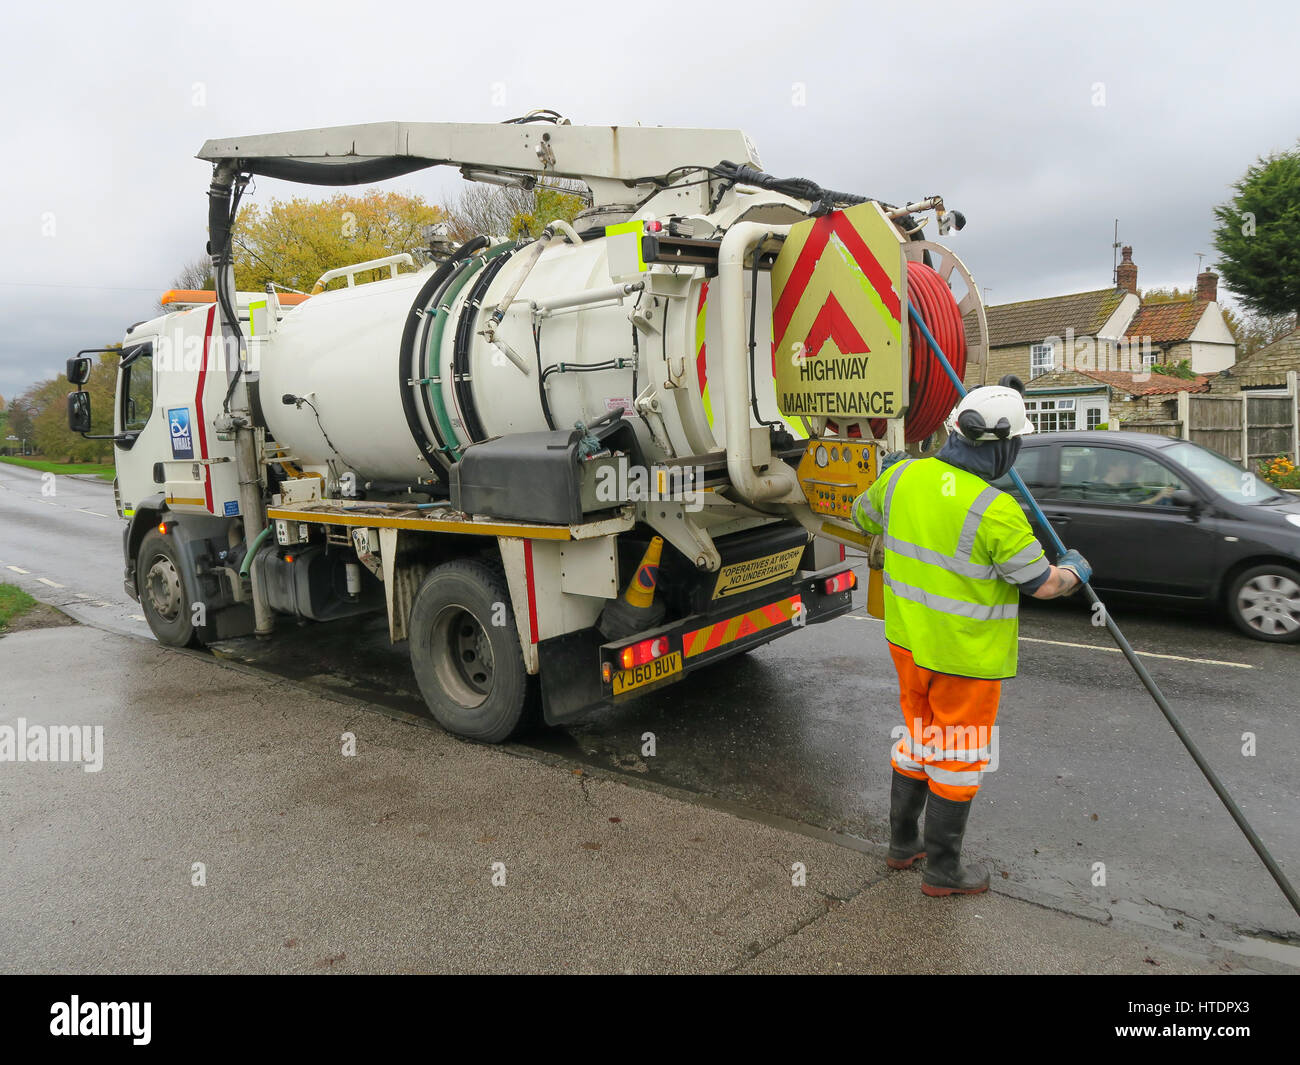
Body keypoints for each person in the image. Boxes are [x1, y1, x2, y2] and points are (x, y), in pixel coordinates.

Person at [851, 379, 1092, 897]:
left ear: (955, 429)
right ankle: (942, 870)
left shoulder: (905, 478)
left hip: (907, 644)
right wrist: (1074, 570)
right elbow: (1042, 584)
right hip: (964, 658)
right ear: (1004, 446)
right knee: (956, 758)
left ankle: (901, 845)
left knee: (918, 739)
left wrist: (890, 475)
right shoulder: (997, 510)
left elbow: (859, 515)